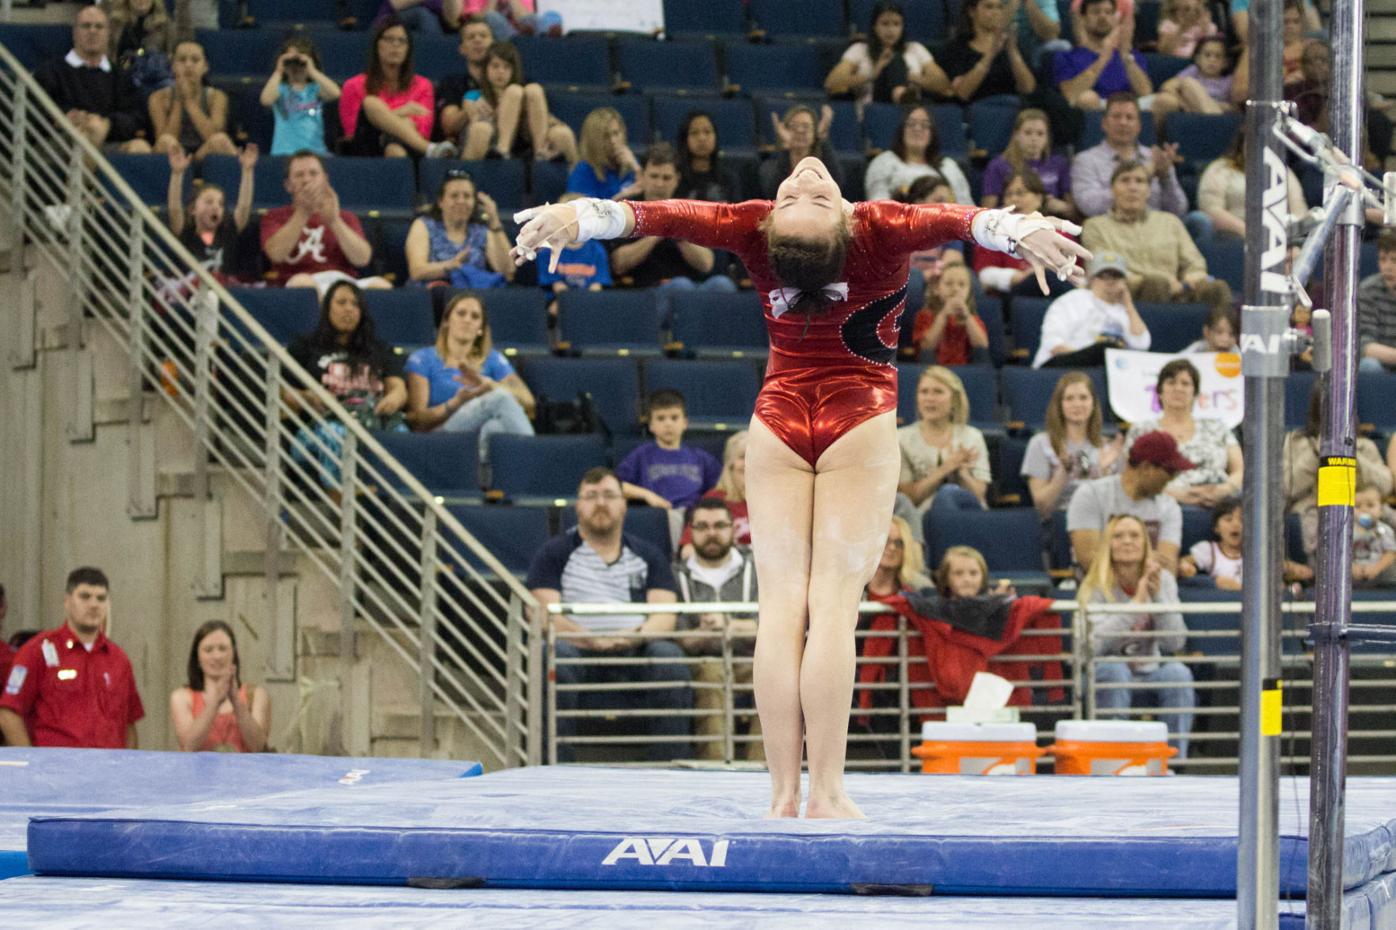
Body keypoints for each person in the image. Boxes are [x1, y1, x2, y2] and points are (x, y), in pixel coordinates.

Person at [510, 153, 1087, 817]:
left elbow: (657, 216)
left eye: (801, 195)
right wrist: (1011, 231)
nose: (805, 178)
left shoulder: (757, 226)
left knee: (785, 611)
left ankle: (788, 793)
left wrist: (581, 216)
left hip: (778, 420)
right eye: (799, 195)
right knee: (830, 607)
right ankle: (822, 791)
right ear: (841, 224)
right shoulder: (877, 223)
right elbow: (959, 219)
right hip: (860, 420)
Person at [526, 467, 688, 763]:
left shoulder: (647, 555)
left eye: (610, 495)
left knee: (669, 658)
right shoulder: (554, 553)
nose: (601, 503)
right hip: (577, 650)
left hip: (635, 650)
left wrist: (626, 638)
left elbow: (665, 615)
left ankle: (669, 766)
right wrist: (592, 640)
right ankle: (555, 765)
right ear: (578, 506)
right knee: (553, 655)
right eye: (591, 496)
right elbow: (542, 613)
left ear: (624, 505)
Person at [1079, 514, 1195, 758]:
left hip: (1151, 671)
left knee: (1178, 673)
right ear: (1107, 545)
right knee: (1114, 669)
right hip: (1107, 672)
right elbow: (1091, 647)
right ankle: (1115, 757)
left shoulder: (1163, 580)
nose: (1127, 541)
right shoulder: (1095, 585)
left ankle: (1173, 761)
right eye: (1118, 536)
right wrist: (1136, 605)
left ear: (1145, 544)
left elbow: (1175, 641)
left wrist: (1157, 599)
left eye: (1135, 535)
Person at [0, 568, 144, 749]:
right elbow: (9, 713)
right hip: (55, 771)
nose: (94, 605)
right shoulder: (37, 652)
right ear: (67, 601)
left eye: (101, 598)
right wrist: (31, 763)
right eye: (85, 596)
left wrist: (128, 767)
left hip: (108, 772)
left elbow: (129, 724)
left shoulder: (119, 659)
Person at [285, 281, 409, 486]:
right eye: (341, 302)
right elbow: (283, 392)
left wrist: (394, 399)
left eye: (355, 304)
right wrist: (306, 397)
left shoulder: (378, 349)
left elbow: (398, 388)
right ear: (327, 308)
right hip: (318, 429)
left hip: (370, 422)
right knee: (338, 434)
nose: (349, 309)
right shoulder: (305, 347)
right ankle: (341, 509)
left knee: (402, 434)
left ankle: (389, 504)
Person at [673, 497, 762, 762]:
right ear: (690, 532)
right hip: (702, 662)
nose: (711, 533)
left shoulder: (759, 568)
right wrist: (702, 633)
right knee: (712, 671)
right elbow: (678, 638)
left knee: (776, 675)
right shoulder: (677, 575)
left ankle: (766, 773)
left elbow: (779, 623)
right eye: (702, 527)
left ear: (733, 529)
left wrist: (730, 625)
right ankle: (715, 770)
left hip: (754, 659)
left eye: (719, 525)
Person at [1080, 161, 1232, 313]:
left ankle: (1225, 334)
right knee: (1156, 284)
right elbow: (1103, 269)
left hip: (1178, 291)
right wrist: (1155, 281)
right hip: (1127, 293)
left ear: (1149, 190)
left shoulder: (1170, 221)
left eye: (1139, 181)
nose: (1132, 187)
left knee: (1218, 288)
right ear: (1112, 190)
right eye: (1125, 180)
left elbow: (1194, 262)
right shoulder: (1095, 226)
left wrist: (1193, 276)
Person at [404, 292, 535, 462]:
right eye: (461, 313)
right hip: (440, 435)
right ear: (446, 322)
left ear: (481, 328)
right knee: (500, 398)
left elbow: (529, 402)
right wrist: (456, 402)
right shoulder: (423, 358)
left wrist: (486, 383)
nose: (467, 320)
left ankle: (473, 474)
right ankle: (537, 460)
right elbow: (418, 422)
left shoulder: (493, 359)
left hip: (476, 437)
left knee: (495, 428)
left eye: (475, 316)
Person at [608, 144, 738, 300]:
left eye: (666, 178)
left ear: (677, 179)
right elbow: (618, 263)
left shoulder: (688, 209)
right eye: (654, 176)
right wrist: (657, 232)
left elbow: (707, 264)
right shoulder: (627, 210)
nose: (659, 184)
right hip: (647, 292)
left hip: (693, 287)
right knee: (681, 286)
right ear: (642, 177)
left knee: (723, 285)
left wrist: (680, 234)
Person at [1284, 382, 1389, 563]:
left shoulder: (1365, 444)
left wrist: (1352, 454)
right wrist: (1316, 453)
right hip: (1315, 510)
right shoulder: (1297, 441)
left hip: (1361, 507)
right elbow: (1286, 487)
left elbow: (1386, 485)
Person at [260, 151, 389, 293]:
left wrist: (334, 221)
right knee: (303, 282)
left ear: (325, 180)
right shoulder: (275, 216)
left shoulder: (346, 217)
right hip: (299, 283)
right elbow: (276, 255)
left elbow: (362, 259)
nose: (306, 180)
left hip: (343, 284)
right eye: (299, 175)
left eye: (313, 173)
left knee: (381, 285)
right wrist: (302, 213)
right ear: (288, 185)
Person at [1123, 358, 1242, 507]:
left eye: (1185, 383)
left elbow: (1240, 470)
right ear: (1159, 391)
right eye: (1171, 382)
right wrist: (1173, 493)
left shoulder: (1218, 428)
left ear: (1195, 393)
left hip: (1219, 506)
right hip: (1159, 504)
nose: (1178, 388)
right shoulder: (1141, 430)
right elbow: (1130, 476)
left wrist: (1224, 489)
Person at [35, 4, 151, 153]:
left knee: (141, 148)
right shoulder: (51, 71)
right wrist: (65, 117)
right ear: (74, 33)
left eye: (99, 27)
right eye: (86, 26)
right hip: (66, 144)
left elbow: (136, 118)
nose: (92, 31)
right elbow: (37, 112)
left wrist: (108, 124)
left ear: (108, 33)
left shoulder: (121, 76)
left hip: (109, 143)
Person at [1068, 430, 1187, 573]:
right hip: (1098, 590)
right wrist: (1145, 560)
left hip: (1150, 589)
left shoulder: (1169, 506)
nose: (1172, 479)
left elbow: (1167, 567)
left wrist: (1118, 559)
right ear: (1147, 467)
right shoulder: (1091, 495)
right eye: (1170, 471)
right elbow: (1089, 559)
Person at [339, 17, 457, 159]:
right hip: (367, 148)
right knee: (371, 102)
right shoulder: (353, 85)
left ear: (408, 48)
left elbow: (424, 130)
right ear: (377, 45)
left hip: (409, 147)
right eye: (389, 39)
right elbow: (352, 132)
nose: (395, 45)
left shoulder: (423, 85)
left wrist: (390, 122)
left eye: (402, 41)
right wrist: (402, 111)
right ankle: (431, 150)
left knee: (395, 148)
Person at [896, 365, 993, 531]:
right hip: (921, 520)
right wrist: (946, 468)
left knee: (950, 493)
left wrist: (962, 473)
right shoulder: (901, 438)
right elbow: (907, 499)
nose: (929, 398)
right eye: (924, 392)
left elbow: (979, 497)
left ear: (954, 399)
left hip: (968, 514)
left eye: (938, 392)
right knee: (945, 495)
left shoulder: (972, 437)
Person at [1022, 371, 1124, 517]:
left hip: (1101, 521)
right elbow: (1042, 506)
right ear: (1059, 405)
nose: (1077, 404)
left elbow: (1120, 504)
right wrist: (1063, 474)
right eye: (1069, 399)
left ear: (1093, 403)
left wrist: (1104, 472)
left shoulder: (1108, 449)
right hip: (1059, 520)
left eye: (1083, 398)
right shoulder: (1040, 443)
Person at [1070, 93, 1188, 221]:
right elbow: (1089, 206)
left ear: (1139, 126)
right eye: (1116, 116)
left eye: (1129, 117)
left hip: (1155, 229)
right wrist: (1142, 176)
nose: (1123, 122)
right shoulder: (1085, 160)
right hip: (1112, 228)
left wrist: (1165, 177)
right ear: (1104, 123)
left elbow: (1179, 210)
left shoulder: (1156, 158)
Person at [1032, 250, 1149, 368]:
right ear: (1091, 278)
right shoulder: (1073, 299)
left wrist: (1129, 305)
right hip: (1061, 365)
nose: (1110, 281)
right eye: (1103, 276)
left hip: (1109, 369)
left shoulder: (1124, 310)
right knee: (1105, 350)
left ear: (1125, 281)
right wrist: (1088, 360)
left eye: (1116, 276)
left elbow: (1142, 345)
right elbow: (1053, 343)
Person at [464, 40, 575, 161]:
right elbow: (474, 118)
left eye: (506, 67)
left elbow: (545, 118)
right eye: (495, 66)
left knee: (562, 132)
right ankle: (502, 149)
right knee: (513, 92)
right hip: (493, 139)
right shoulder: (474, 95)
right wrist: (502, 109)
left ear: (513, 71)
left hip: (527, 136)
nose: (500, 72)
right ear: (485, 69)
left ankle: (541, 151)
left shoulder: (525, 93)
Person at [823, 1, 950, 106]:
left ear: (902, 27)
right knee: (892, 60)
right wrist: (872, 75)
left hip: (911, 114)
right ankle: (900, 95)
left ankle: (902, 95)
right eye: (885, 24)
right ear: (874, 26)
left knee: (895, 59)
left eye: (896, 24)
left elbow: (943, 84)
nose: (891, 30)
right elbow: (831, 82)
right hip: (875, 109)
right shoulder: (860, 49)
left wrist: (910, 76)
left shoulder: (915, 49)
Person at [170, 620, 270, 752]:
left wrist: (236, 701)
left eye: (223, 649)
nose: (216, 656)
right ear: (198, 658)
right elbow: (189, 746)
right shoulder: (181, 697)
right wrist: (215, 702)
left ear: (233, 654)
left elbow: (258, 747)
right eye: (208, 650)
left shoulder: (257, 694)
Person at [616, 389, 722, 511]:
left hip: (694, 516)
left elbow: (723, 487)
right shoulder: (642, 455)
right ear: (651, 425)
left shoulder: (701, 458)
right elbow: (616, 485)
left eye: (674, 418)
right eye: (661, 419)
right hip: (658, 515)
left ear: (685, 423)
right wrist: (647, 495)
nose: (668, 424)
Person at [974, 169, 1076, 297]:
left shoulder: (1061, 232)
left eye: (1020, 193)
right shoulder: (992, 232)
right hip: (1016, 293)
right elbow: (984, 275)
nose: (1014, 199)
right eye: (1008, 194)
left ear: (1039, 199)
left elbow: (1077, 274)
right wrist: (1020, 276)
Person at [406, 171, 513, 289]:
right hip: (431, 295)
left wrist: (494, 220)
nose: (461, 201)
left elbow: (507, 271)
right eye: (454, 196)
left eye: (467, 196)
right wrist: (451, 266)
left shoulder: (481, 231)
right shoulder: (424, 225)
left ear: (474, 203)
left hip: (474, 297)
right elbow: (417, 271)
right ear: (441, 202)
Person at [167, 143, 256, 282]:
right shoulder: (186, 232)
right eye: (209, 202)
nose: (215, 207)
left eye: (220, 204)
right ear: (192, 209)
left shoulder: (227, 232)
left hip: (222, 290)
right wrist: (177, 173)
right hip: (191, 291)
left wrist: (247, 170)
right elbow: (174, 209)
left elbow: (244, 207)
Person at [1197, 130, 1307, 239]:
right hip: (1233, 236)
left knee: (1297, 252)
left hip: (1277, 238)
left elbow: (1298, 211)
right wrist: (1248, 233)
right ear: (1241, 145)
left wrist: (1283, 236)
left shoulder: (1283, 171)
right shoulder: (1220, 169)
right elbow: (1212, 211)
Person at [864, 105, 973, 206]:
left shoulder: (948, 166)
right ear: (902, 130)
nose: (917, 129)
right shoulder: (884, 162)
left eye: (925, 125)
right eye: (911, 124)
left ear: (932, 133)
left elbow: (967, 206)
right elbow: (877, 206)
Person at [1055, 0, 1153, 112]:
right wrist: (1103, 59)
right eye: (1096, 12)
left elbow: (1146, 92)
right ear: (1083, 19)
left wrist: (1126, 57)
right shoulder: (1066, 57)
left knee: (1165, 101)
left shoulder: (1132, 56)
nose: (1103, 16)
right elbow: (1070, 94)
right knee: (1087, 98)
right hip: (1094, 111)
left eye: (1108, 12)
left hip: (1128, 109)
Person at [147, 40, 234, 160]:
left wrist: (189, 102)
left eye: (195, 60)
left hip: (204, 154)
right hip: (173, 158)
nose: (188, 65)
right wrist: (178, 99)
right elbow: (163, 139)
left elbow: (213, 135)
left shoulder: (216, 96)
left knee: (220, 140)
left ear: (205, 67)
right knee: (166, 141)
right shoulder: (158, 97)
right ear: (173, 66)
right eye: (182, 60)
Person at [938, 0, 1037, 104]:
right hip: (974, 112)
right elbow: (962, 93)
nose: (996, 12)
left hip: (1012, 110)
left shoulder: (1014, 44)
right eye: (989, 7)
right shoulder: (956, 48)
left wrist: (1012, 51)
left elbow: (1029, 88)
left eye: (1000, 7)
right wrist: (990, 55)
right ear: (972, 11)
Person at [260, 35, 341, 157]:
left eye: (299, 62)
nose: (295, 66)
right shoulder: (280, 89)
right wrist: (279, 71)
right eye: (290, 62)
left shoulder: (315, 89)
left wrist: (312, 70)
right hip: (285, 152)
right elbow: (266, 100)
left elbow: (336, 93)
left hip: (315, 152)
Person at [980, 109, 1072, 214]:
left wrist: (1061, 207)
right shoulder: (998, 165)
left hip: (1051, 221)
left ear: (1047, 137)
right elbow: (987, 212)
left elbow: (1073, 212)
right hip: (1012, 222)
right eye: (1028, 133)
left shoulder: (1059, 163)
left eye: (1040, 134)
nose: (1034, 139)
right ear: (1016, 135)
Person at [677, 430, 752, 558]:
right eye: (742, 457)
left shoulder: (775, 500)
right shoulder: (713, 500)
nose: (749, 462)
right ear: (730, 464)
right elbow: (687, 551)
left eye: (755, 457)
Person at [759, 104, 846, 201]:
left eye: (806, 127)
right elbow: (774, 194)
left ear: (814, 133)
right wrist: (786, 148)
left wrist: (821, 139)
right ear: (785, 130)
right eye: (794, 126)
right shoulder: (769, 167)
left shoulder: (824, 161)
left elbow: (837, 186)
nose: (800, 131)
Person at [911, 263, 990, 365]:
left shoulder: (972, 318)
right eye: (948, 284)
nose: (955, 289)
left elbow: (982, 346)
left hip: (966, 372)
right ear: (936, 288)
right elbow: (926, 347)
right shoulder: (925, 315)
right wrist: (943, 315)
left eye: (962, 285)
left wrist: (967, 316)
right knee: (926, 354)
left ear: (969, 291)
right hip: (934, 371)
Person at [566, 107, 642, 200]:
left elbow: (650, 199)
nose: (613, 141)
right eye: (606, 136)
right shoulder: (583, 171)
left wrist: (637, 169)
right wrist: (619, 198)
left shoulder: (631, 163)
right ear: (593, 140)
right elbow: (585, 211)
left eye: (616, 133)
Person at [1155, 35, 1236, 117]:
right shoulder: (1193, 71)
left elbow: (1234, 107)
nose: (1212, 60)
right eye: (1207, 55)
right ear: (1198, 59)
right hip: (1190, 110)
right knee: (1186, 84)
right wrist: (1184, 103)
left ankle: (1213, 119)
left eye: (1218, 56)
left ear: (1225, 63)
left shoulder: (1229, 80)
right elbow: (1167, 86)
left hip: (1217, 111)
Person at [106, 0, 173, 98]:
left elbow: (172, 53)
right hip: (119, 78)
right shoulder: (114, 23)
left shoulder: (165, 24)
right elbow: (107, 54)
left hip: (155, 81)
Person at [676, 110, 741, 204]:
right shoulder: (676, 177)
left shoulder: (728, 178)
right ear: (685, 139)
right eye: (694, 133)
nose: (702, 138)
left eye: (707, 132)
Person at [1178, 496, 1242, 590]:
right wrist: (1184, 567)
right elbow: (1183, 562)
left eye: (1242, 520)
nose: (1235, 524)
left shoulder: (1259, 552)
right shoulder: (1209, 550)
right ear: (1216, 528)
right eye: (1228, 519)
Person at [866, 516, 933, 602]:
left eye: (899, 543)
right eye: (886, 540)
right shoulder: (853, 585)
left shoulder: (921, 589)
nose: (892, 547)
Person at [1358, 229, 1396, 372]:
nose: (1387, 267)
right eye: (1382, 259)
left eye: (1394, 260)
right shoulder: (1368, 290)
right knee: (1368, 365)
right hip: (1381, 364)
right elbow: (1365, 346)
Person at [1352, 485, 1396, 588]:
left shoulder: (1383, 530)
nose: (1364, 509)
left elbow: (1391, 552)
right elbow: (1341, 553)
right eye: (1357, 506)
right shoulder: (1347, 532)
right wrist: (1351, 568)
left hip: (1383, 583)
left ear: (1381, 509)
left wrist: (1376, 568)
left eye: (1370, 505)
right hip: (1353, 583)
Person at [933, 544, 1014, 598]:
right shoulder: (934, 611)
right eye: (958, 573)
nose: (967, 579)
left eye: (973, 573)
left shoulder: (995, 605)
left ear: (983, 577)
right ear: (946, 578)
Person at [374, 0, 464, 33]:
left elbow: (452, 17)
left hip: (436, 26)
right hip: (390, 21)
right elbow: (395, 3)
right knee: (422, 15)